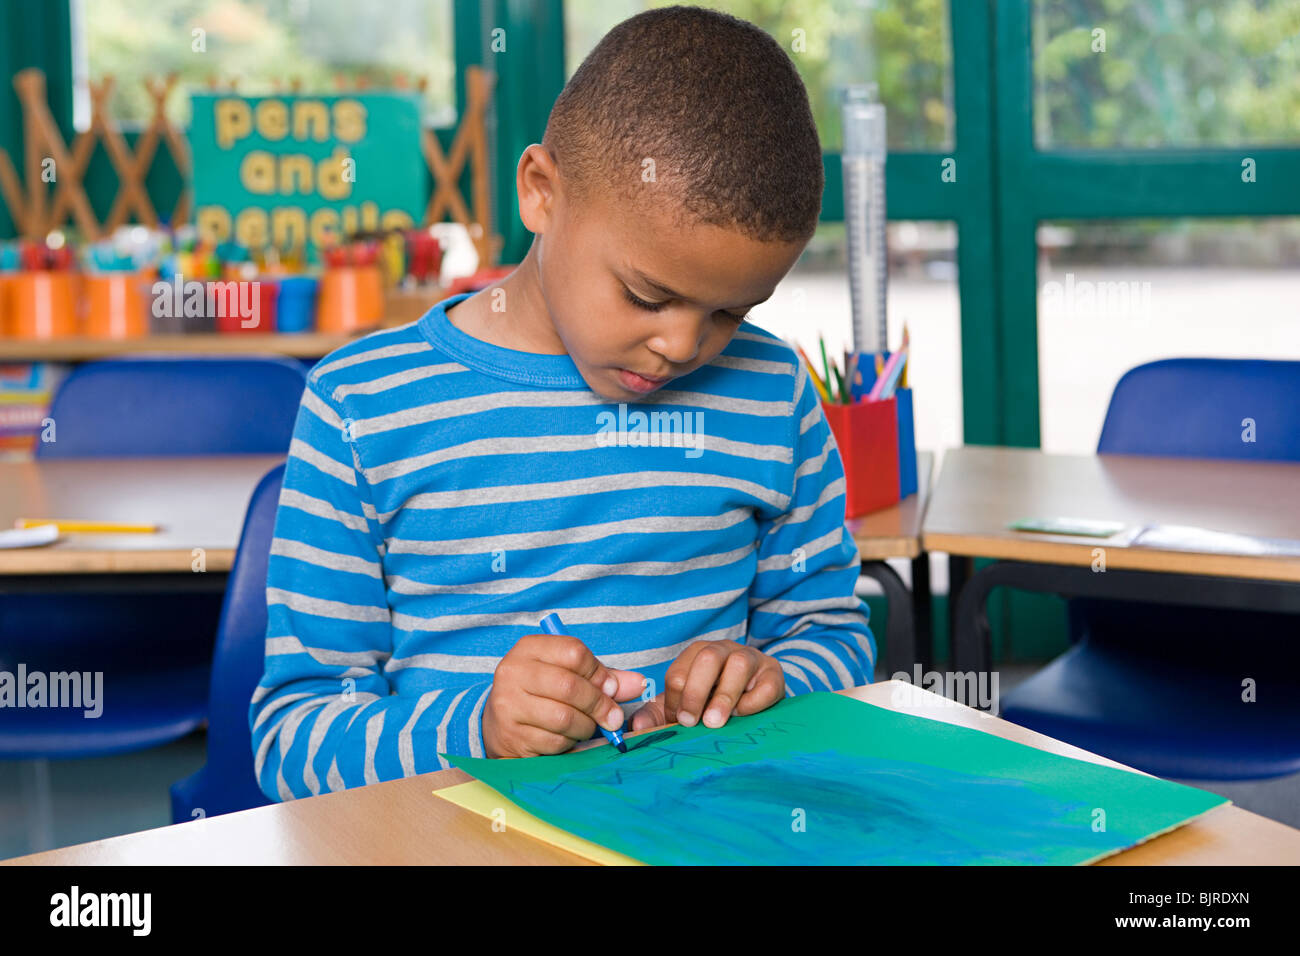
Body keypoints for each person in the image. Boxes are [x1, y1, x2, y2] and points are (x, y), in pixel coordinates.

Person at [251, 5, 875, 801]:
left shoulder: (773, 392)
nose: (683, 346)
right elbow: (292, 740)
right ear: (542, 193)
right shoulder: (361, 406)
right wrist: (477, 729)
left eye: (730, 313)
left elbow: (832, 635)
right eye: (647, 295)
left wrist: (771, 681)